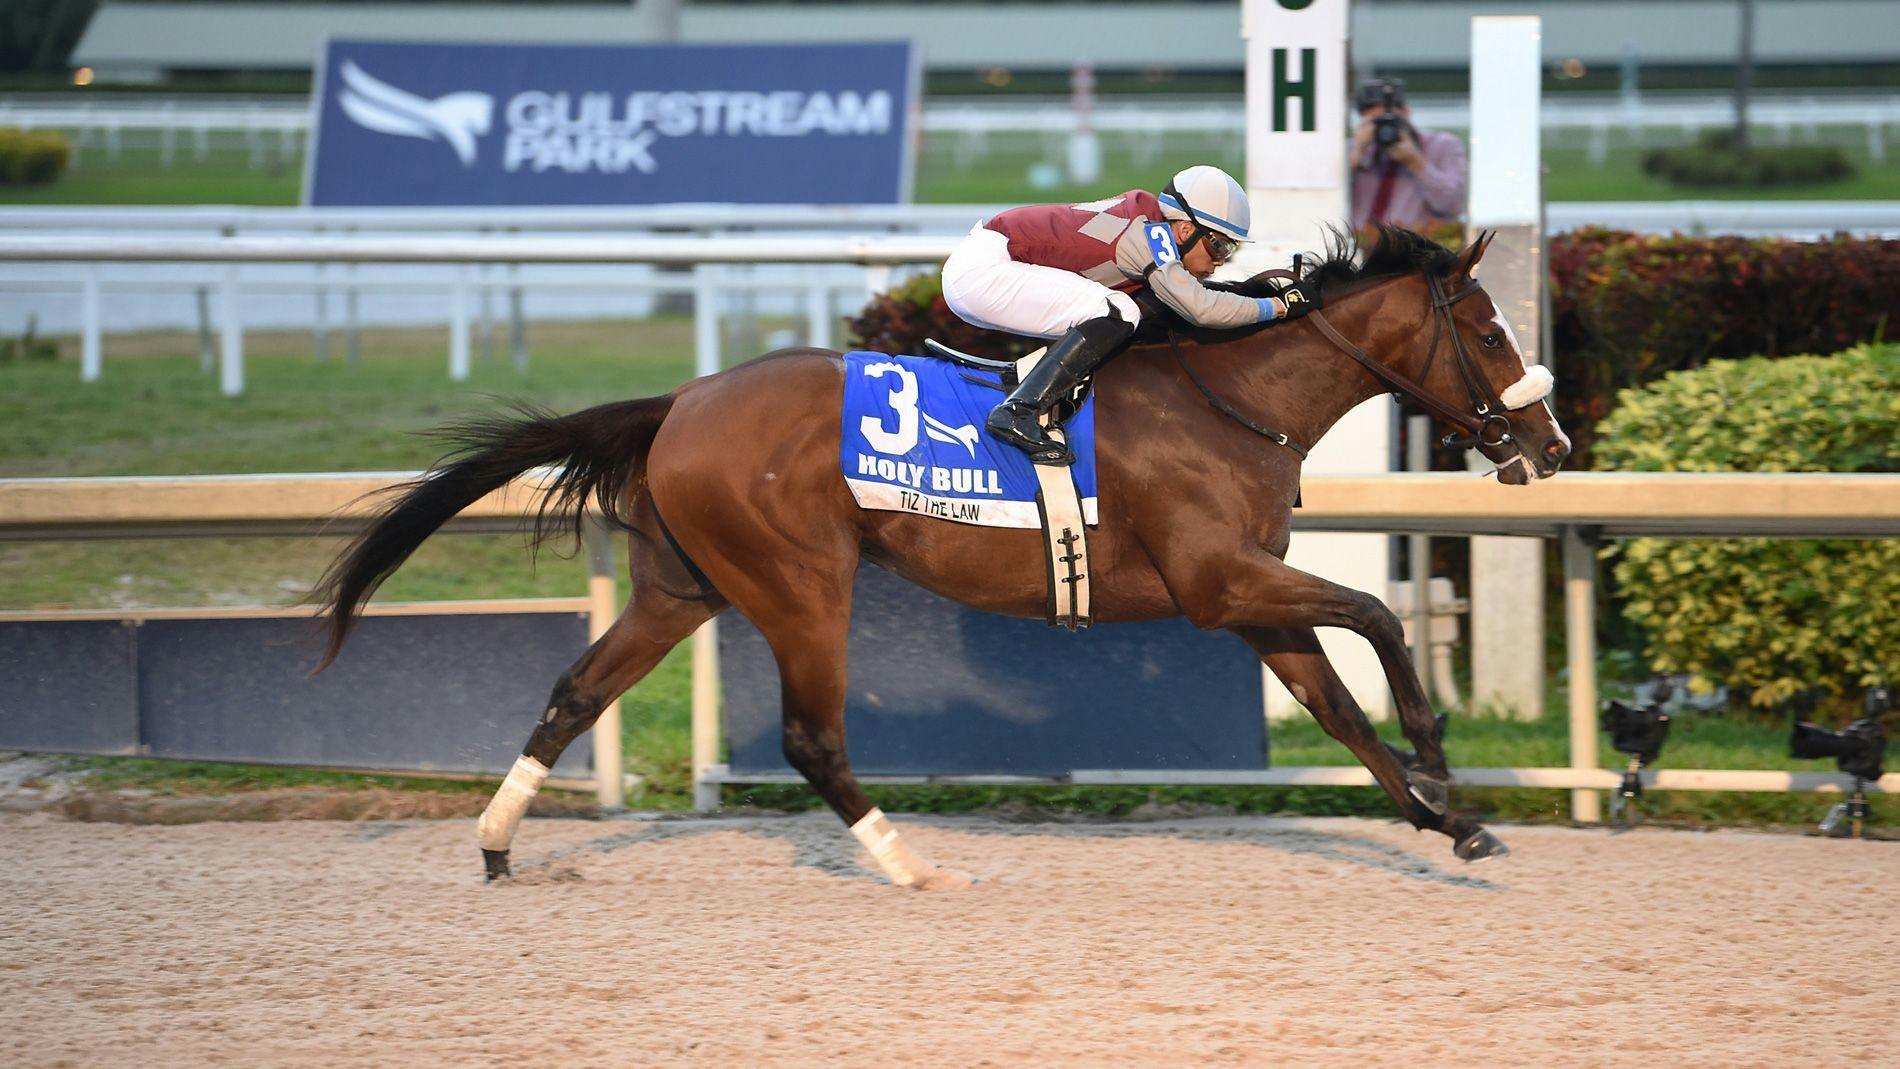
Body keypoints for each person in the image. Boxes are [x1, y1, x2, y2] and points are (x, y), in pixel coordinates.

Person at [941, 165, 1321, 465]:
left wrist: (1260, 298)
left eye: (1230, 250)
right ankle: (1018, 411)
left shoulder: (1156, 233)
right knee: (1119, 310)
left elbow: (1192, 301)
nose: (1220, 261)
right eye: (1218, 245)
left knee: (1135, 311)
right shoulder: (1150, 237)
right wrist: (1279, 306)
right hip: (983, 273)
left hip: (989, 267)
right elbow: (1202, 308)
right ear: (1185, 228)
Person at [1349, 77, 1467, 230]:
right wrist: (1357, 153)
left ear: (1406, 112)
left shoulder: (1442, 145)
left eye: (1391, 121)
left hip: (1415, 247)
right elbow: (1326, 198)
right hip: (1357, 244)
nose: (1384, 129)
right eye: (1376, 122)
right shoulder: (1353, 149)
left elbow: (1452, 205)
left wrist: (1416, 162)